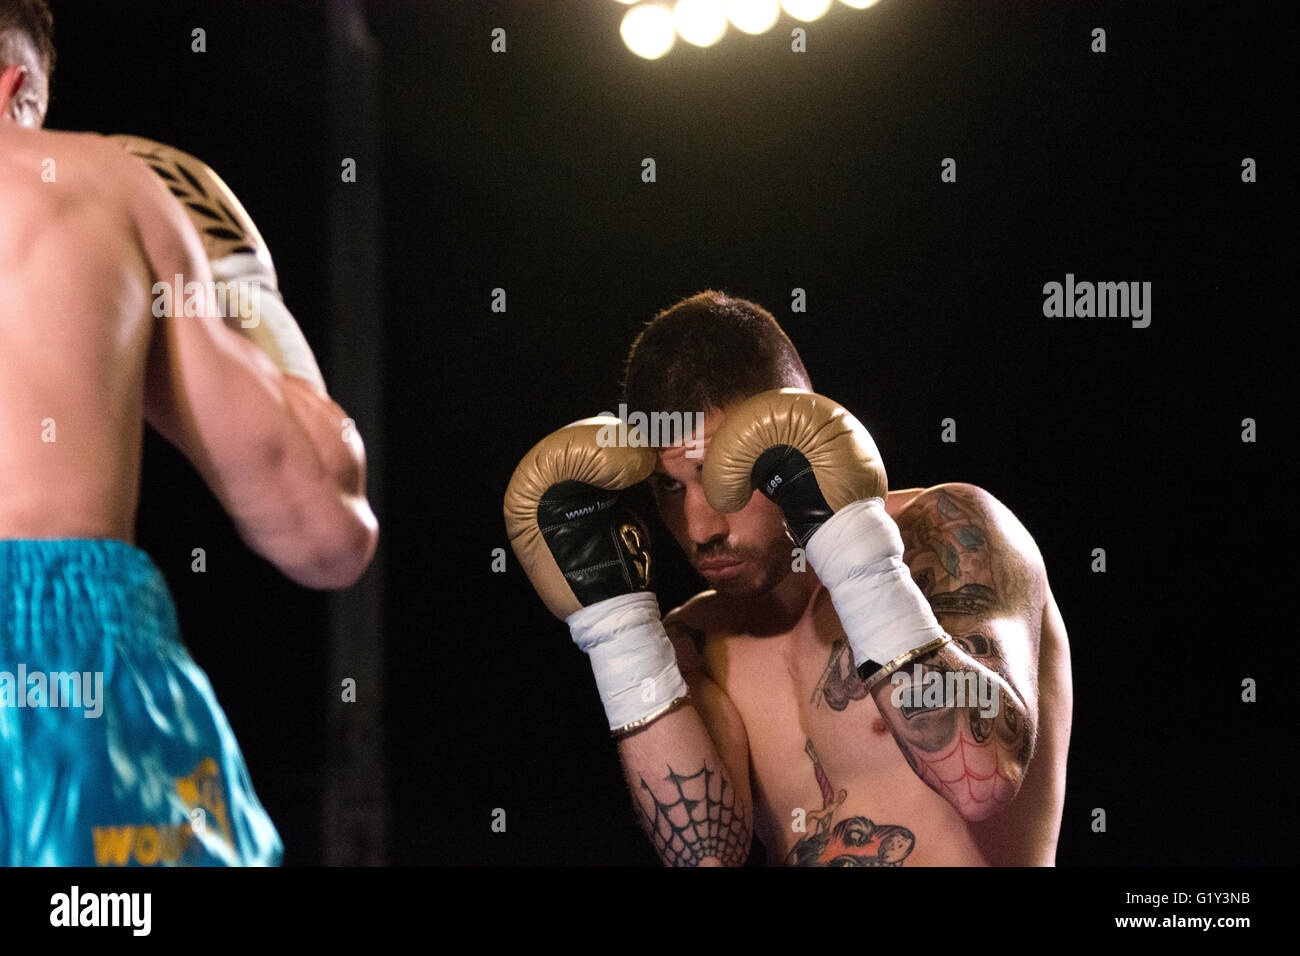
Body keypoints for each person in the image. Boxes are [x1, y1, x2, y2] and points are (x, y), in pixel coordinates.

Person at [0, 0, 378, 865]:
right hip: (64, 662)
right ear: (15, 88)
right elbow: (326, 531)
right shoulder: (103, 184)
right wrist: (248, 300)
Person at [506, 290, 1071, 866]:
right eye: (669, 487)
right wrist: (616, 629)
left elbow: (985, 778)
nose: (700, 529)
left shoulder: (945, 531)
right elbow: (705, 855)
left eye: (719, 474)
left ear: (789, 445)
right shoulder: (696, 637)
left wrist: (856, 555)